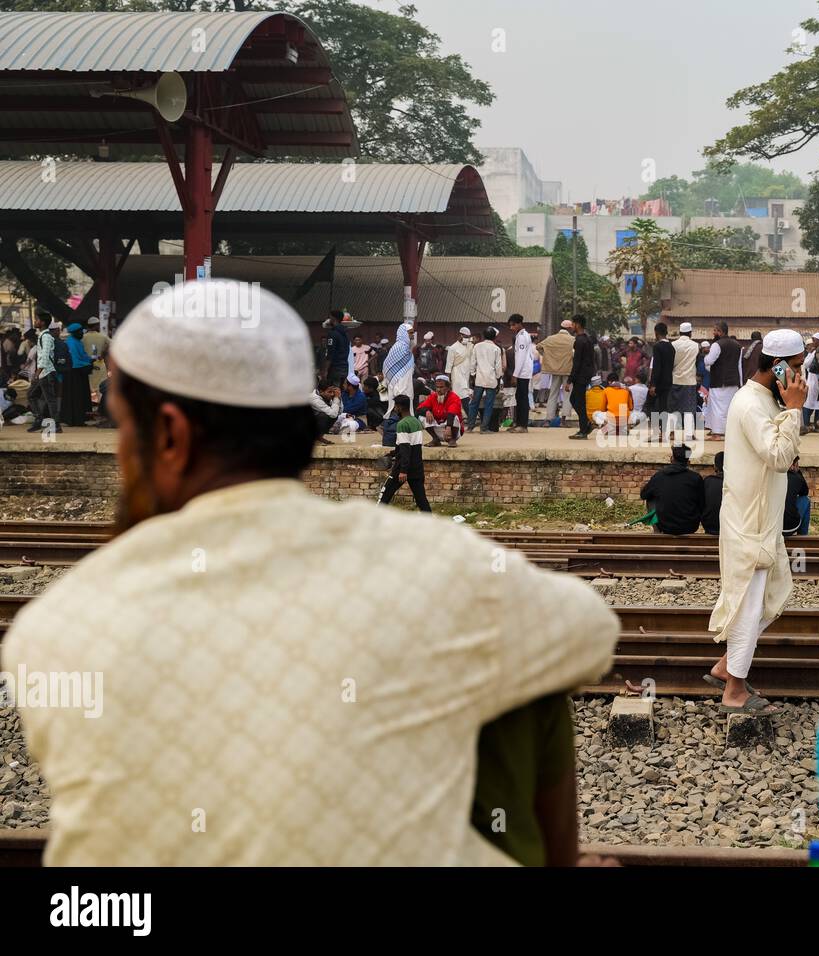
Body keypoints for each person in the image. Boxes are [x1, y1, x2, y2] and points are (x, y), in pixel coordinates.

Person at [3, 280, 620, 866]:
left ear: (170, 435)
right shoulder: (433, 563)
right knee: (518, 669)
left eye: (122, 425)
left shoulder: (56, 627)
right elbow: (590, 630)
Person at [707, 329, 807, 714]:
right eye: (797, 369)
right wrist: (795, 409)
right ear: (778, 366)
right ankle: (734, 690)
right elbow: (780, 458)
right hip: (751, 523)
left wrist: (789, 408)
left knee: (774, 595)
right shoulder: (750, 405)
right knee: (750, 605)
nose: (801, 378)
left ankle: (725, 666)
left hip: (763, 521)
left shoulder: (766, 400)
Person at [377, 393, 433, 511]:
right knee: (421, 500)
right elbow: (412, 446)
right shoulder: (416, 422)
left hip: (402, 467)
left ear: (400, 407)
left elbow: (405, 449)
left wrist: (403, 471)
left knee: (384, 496)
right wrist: (393, 453)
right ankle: (430, 524)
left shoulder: (402, 424)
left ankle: (374, 523)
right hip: (417, 467)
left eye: (396, 407)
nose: (395, 409)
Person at [639, 444, 705, 534]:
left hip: (665, 526)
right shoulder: (696, 478)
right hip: (690, 526)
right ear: (688, 462)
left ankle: (657, 531)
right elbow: (702, 504)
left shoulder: (659, 476)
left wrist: (643, 487)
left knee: (650, 496)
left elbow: (643, 495)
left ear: (671, 459)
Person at [703, 321, 743, 440]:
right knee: (729, 408)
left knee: (717, 408)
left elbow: (708, 361)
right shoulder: (737, 345)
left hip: (719, 381)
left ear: (720, 332)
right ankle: (728, 432)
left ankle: (717, 434)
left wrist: (705, 355)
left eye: (715, 330)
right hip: (733, 381)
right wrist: (740, 383)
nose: (713, 332)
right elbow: (739, 366)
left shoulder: (717, 345)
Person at [26, 310, 62, 433]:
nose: (35, 322)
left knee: (49, 399)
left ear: (42, 322)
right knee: (31, 395)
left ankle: (56, 425)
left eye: (36, 320)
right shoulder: (42, 335)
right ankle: (39, 420)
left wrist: (37, 372)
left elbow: (45, 356)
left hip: (46, 372)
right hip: (43, 372)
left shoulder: (46, 337)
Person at [466, 326, 504, 433]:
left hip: (479, 379)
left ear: (484, 336)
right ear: (494, 337)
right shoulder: (496, 348)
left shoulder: (477, 346)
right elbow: (498, 367)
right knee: (489, 404)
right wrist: (498, 378)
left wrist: (473, 375)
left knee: (474, 403)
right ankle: (484, 428)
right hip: (492, 380)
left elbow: (473, 363)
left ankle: (470, 426)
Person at [538, 319, 575, 426]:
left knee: (553, 394)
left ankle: (548, 420)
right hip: (568, 370)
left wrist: (548, 357)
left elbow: (539, 347)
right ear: (569, 328)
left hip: (554, 369)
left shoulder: (551, 339)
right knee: (567, 394)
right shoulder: (572, 340)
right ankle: (563, 420)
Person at [59, 322, 94, 427]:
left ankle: (79, 418)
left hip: (78, 372)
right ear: (74, 333)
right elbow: (75, 361)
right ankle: (75, 419)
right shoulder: (72, 343)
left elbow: (83, 356)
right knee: (76, 397)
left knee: (79, 397)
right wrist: (88, 363)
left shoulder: (77, 342)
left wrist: (90, 360)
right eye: (80, 332)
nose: (82, 333)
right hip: (73, 373)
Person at [671, 321, 701, 436]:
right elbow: (697, 362)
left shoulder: (673, 345)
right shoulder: (695, 346)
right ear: (690, 333)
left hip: (675, 379)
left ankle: (672, 432)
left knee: (674, 407)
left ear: (680, 332)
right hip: (689, 380)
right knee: (689, 408)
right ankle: (689, 433)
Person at [569, 315, 596, 440]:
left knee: (577, 401)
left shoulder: (580, 341)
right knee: (576, 400)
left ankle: (583, 429)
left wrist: (570, 379)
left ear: (578, 325)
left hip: (580, 375)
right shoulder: (588, 339)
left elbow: (577, 362)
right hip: (586, 374)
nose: (572, 326)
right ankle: (585, 425)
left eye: (573, 324)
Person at [647, 321, 675, 440]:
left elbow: (657, 367)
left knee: (650, 405)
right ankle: (662, 432)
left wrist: (653, 384)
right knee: (663, 407)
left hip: (658, 382)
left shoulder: (658, 347)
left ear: (656, 333)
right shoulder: (671, 347)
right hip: (668, 381)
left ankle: (656, 431)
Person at [508, 314, 535, 433]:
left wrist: (515, 374)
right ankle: (518, 423)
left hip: (522, 371)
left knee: (522, 398)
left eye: (513, 325)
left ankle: (522, 425)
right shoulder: (522, 335)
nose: (511, 328)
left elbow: (521, 357)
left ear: (518, 324)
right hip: (523, 370)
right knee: (519, 397)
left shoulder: (522, 337)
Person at [382, 321, 415, 418]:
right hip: (399, 380)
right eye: (410, 333)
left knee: (405, 400)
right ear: (403, 333)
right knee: (400, 400)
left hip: (405, 379)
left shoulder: (406, 347)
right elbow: (388, 364)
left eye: (413, 333)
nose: (412, 335)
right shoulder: (399, 347)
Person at [800, 332, 819, 434]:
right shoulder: (814, 352)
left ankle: (811, 424)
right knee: (812, 401)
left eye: (814, 340)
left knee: (814, 401)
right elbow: (805, 364)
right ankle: (808, 424)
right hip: (813, 378)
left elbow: (806, 364)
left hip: (816, 378)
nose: (813, 342)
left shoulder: (817, 351)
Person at [320, 309, 351, 386]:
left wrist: (325, 371)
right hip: (344, 368)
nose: (328, 320)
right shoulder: (345, 333)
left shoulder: (332, 334)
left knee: (333, 393)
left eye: (330, 318)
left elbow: (330, 353)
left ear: (333, 318)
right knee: (340, 392)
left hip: (335, 369)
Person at [446, 326, 474, 404]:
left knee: (466, 395)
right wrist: (448, 382)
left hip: (467, 375)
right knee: (461, 395)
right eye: (465, 336)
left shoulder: (470, 346)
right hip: (457, 375)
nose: (467, 338)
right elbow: (448, 366)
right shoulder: (453, 348)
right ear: (460, 335)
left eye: (468, 337)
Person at [784, 457, 810, 536]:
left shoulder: (771, 476)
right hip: (789, 527)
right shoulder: (797, 478)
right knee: (805, 500)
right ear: (792, 466)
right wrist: (797, 472)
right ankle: (803, 537)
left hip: (771, 526)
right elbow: (805, 492)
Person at [701, 451, 724, 535]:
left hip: (710, 527)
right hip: (730, 528)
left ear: (715, 467)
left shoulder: (708, 481)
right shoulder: (735, 483)